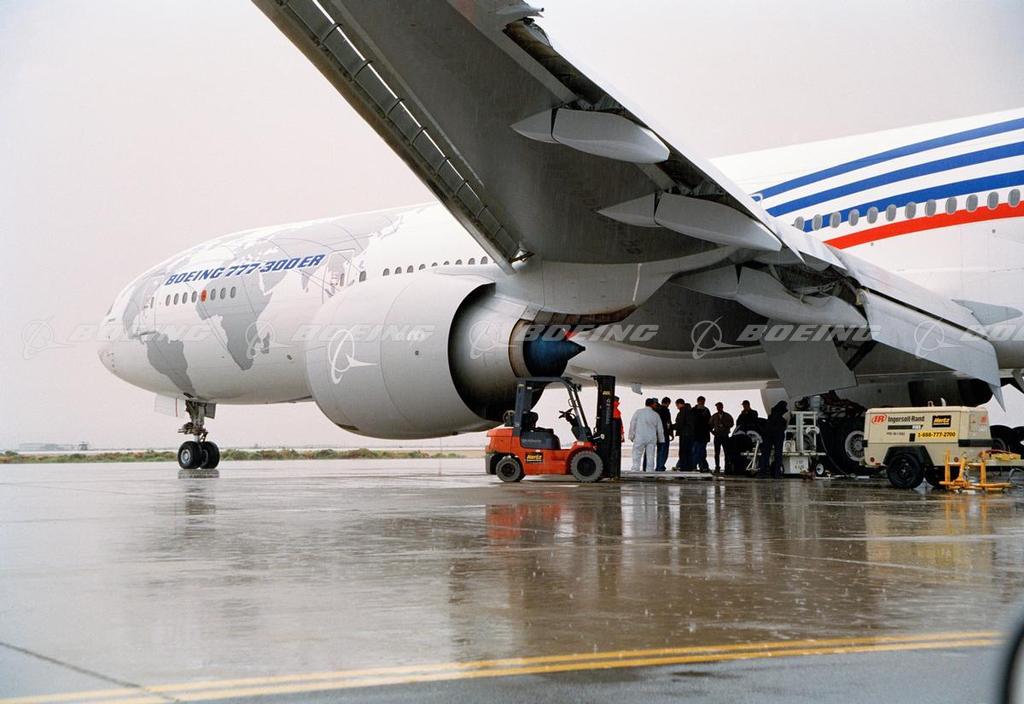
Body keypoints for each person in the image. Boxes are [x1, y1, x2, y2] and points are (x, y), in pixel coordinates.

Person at [629, 398, 664, 472]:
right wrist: (661, 440)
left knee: (637, 454)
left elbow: (632, 424)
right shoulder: (655, 415)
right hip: (651, 438)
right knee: (650, 455)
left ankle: (635, 469)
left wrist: (631, 436)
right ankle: (649, 470)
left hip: (640, 437)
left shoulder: (638, 412)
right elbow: (660, 429)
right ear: (652, 404)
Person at [758, 400, 789, 478]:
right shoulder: (782, 418)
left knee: (765, 454)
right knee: (778, 454)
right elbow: (784, 426)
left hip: (768, 435)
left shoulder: (771, 416)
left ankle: (763, 472)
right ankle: (777, 473)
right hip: (778, 435)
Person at [710, 401, 734, 472]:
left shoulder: (727, 415)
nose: (718, 408)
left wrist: (725, 424)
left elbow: (732, 423)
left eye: (719, 407)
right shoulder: (714, 416)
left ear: (722, 407)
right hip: (717, 436)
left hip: (725, 436)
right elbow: (709, 425)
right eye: (717, 407)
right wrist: (712, 432)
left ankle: (727, 467)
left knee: (727, 452)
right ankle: (717, 467)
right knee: (717, 453)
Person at [691, 396, 711, 472]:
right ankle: (700, 466)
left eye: (703, 402)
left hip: (701, 435)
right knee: (698, 451)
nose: (702, 403)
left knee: (700, 451)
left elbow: (709, 422)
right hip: (698, 435)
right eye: (701, 401)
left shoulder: (704, 410)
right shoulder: (697, 410)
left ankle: (700, 466)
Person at [654, 396, 673, 472]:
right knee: (664, 450)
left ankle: (658, 466)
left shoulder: (657, 410)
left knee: (659, 450)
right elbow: (668, 423)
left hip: (657, 433)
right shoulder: (666, 411)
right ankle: (660, 466)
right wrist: (670, 432)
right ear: (668, 403)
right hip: (664, 433)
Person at [673, 398, 693, 470]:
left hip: (684, 434)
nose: (677, 407)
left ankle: (683, 467)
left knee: (683, 451)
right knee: (689, 451)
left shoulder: (682, 411)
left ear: (679, 404)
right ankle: (689, 467)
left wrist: (671, 427)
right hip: (690, 434)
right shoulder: (690, 411)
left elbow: (680, 424)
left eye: (677, 405)